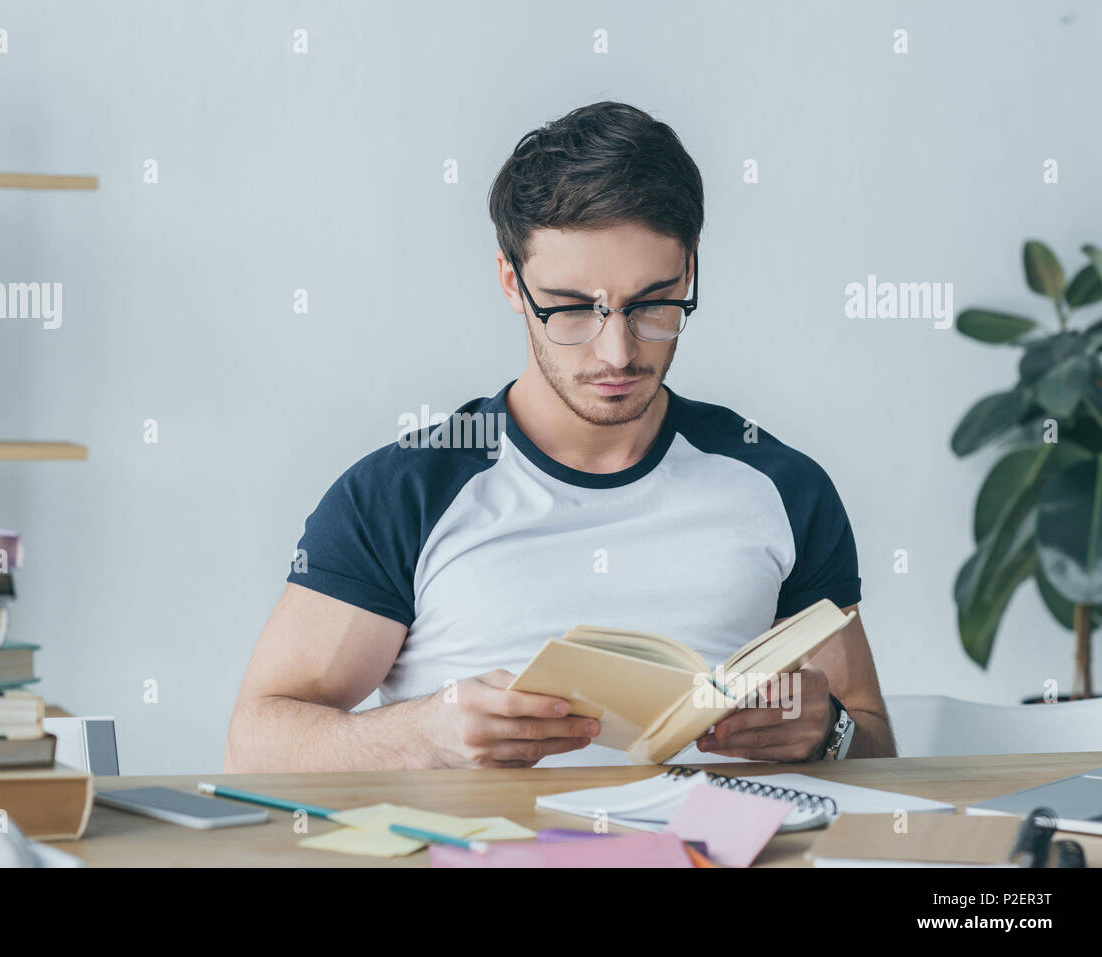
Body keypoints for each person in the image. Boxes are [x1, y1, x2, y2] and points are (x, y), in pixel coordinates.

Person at [225, 101, 895, 771]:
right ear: (512, 284)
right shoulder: (404, 494)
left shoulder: (782, 487)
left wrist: (828, 730)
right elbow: (251, 746)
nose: (617, 351)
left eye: (651, 303)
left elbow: (876, 750)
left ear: (689, 271)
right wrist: (424, 734)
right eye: (573, 309)